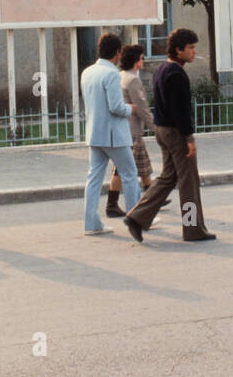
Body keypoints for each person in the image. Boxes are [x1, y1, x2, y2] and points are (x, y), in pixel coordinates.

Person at [123, 28, 216, 243]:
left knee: (168, 178)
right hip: (175, 133)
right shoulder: (176, 74)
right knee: (188, 182)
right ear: (178, 49)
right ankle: (193, 229)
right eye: (190, 47)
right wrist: (189, 139)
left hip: (162, 130)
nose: (194, 51)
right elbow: (180, 110)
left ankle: (136, 217)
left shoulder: (162, 69)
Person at [79, 33, 144, 235]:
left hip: (94, 133)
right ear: (117, 53)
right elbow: (116, 107)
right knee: (130, 174)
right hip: (114, 135)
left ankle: (91, 223)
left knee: (94, 178)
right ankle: (137, 219)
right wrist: (131, 109)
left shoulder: (87, 72)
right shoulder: (111, 74)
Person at [105, 44, 156, 217]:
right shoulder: (133, 80)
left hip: (123, 129)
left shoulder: (120, 76)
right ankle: (114, 205)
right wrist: (155, 128)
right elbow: (141, 107)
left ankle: (152, 197)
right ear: (136, 61)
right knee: (124, 169)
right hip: (132, 131)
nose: (143, 60)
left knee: (143, 166)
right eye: (141, 58)